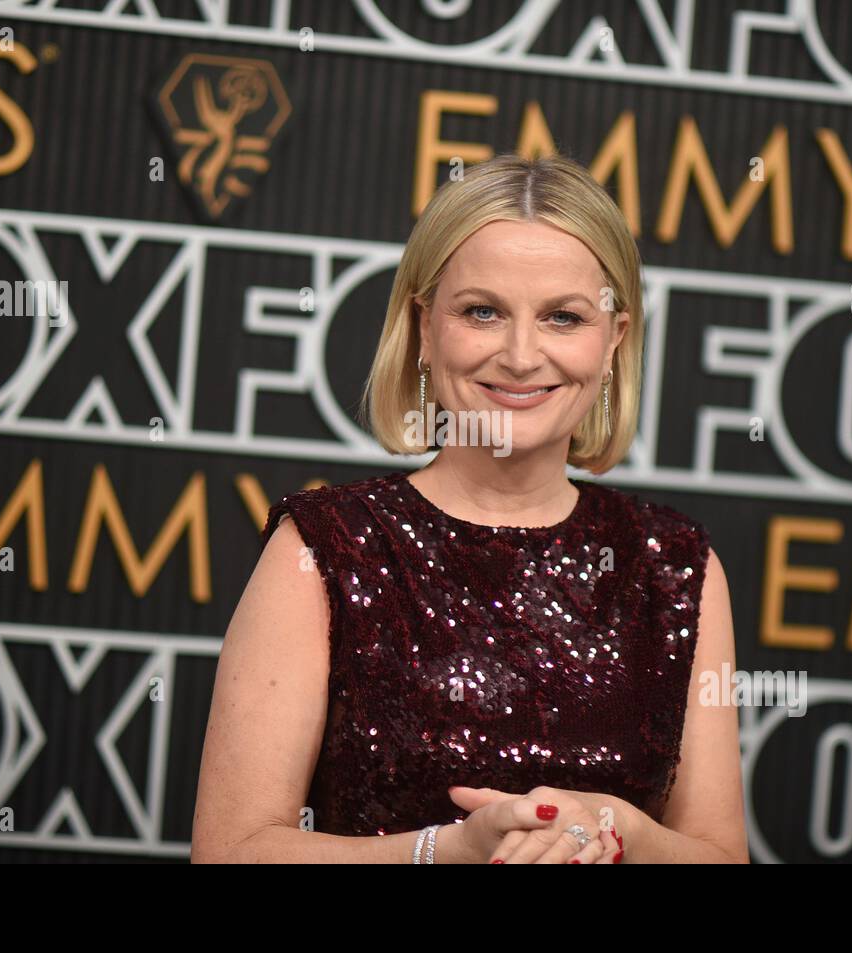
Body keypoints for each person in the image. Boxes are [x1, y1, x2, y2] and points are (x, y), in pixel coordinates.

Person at [191, 153, 747, 863]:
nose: (521, 355)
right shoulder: (325, 548)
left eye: (563, 317)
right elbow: (230, 852)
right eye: (482, 311)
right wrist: (448, 850)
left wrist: (621, 828)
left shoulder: (675, 566)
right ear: (425, 327)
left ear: (614, 340)